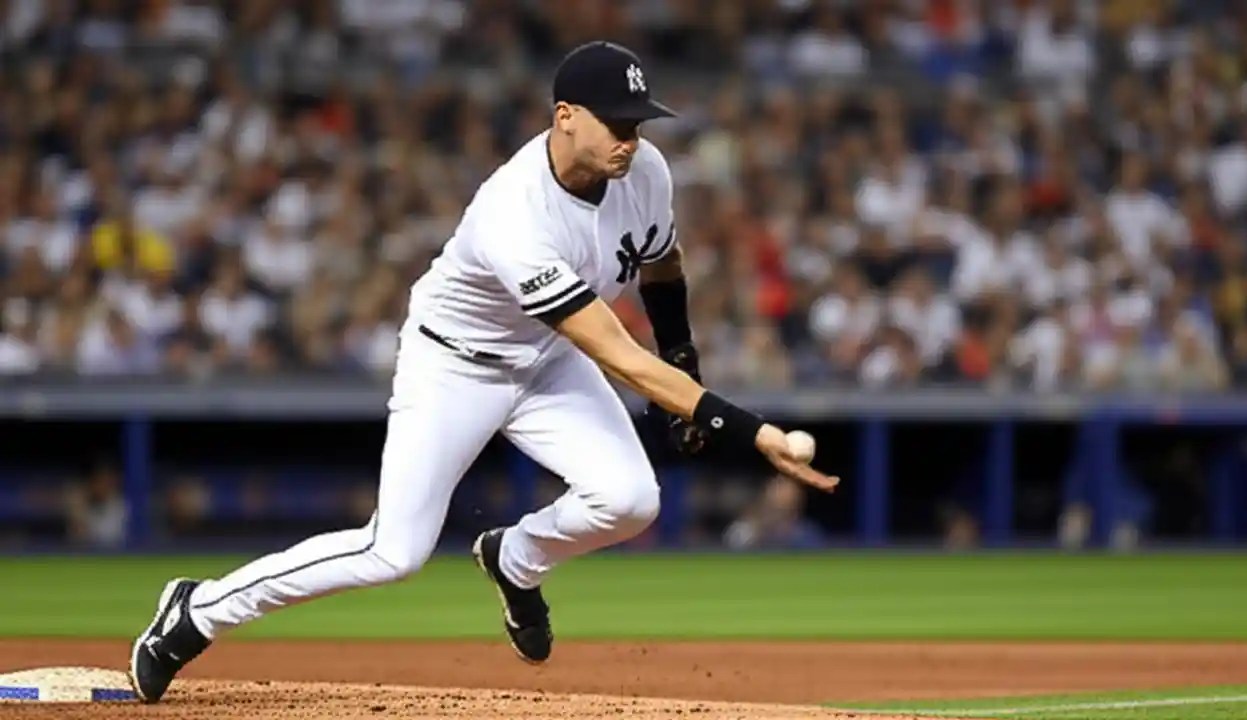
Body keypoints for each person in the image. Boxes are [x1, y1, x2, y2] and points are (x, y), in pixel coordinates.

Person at [128, 41, 838, 704]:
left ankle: (516, 559)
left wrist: (684, 359)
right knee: (393, 551)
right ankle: (200, 608)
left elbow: (663, 262)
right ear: (565, 118)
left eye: (640, 121)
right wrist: (747, 431)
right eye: (616, 122)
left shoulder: (643, 170)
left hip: (548, 359)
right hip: (455, 366)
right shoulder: (515, 213)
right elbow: (620, 356)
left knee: (629, 500)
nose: (631, 136)